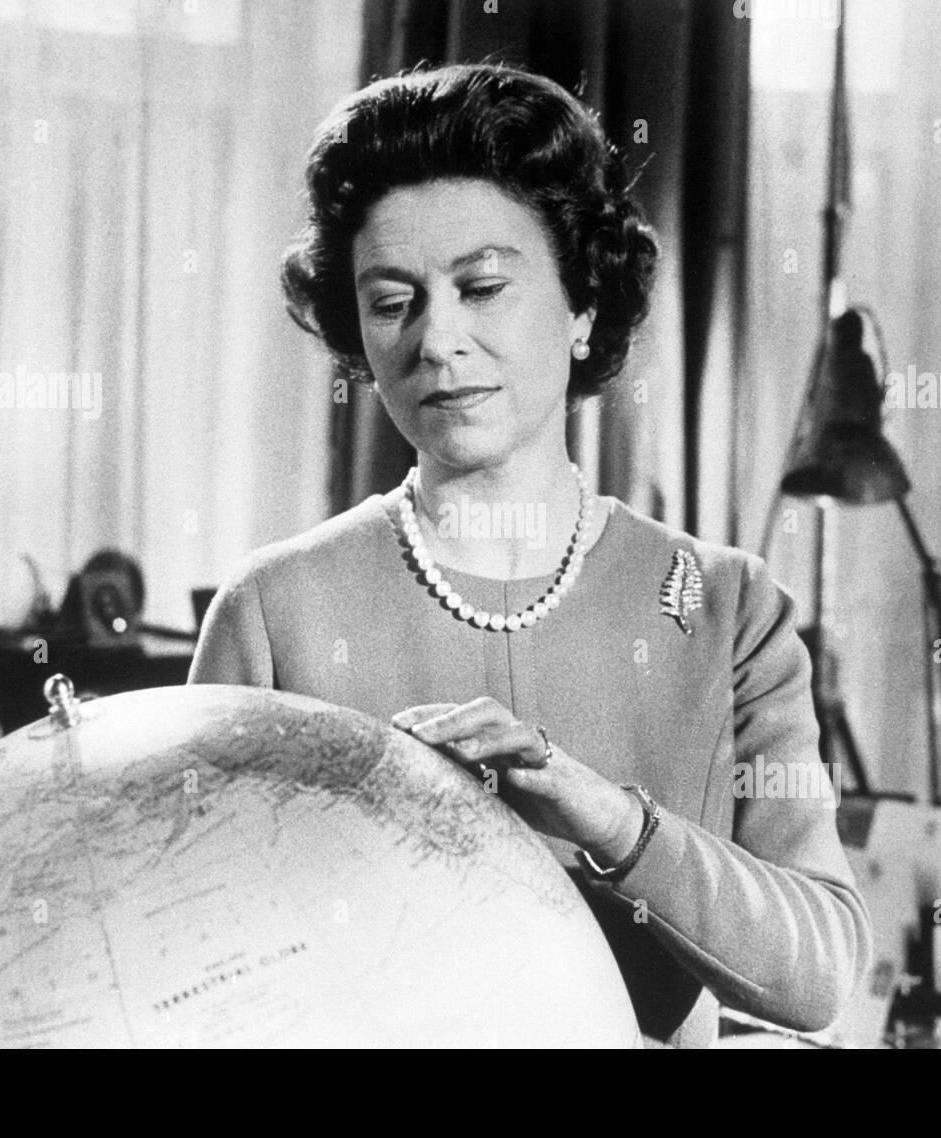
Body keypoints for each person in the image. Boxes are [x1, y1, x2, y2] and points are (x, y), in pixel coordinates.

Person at [189, 61, 871, 1047]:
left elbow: (818, 978)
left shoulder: (726, 610)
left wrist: (608, 818)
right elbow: (197, 976)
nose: (439, 340)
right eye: (392, 302)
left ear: (584, 304)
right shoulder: (271, 612)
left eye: (483, 287)